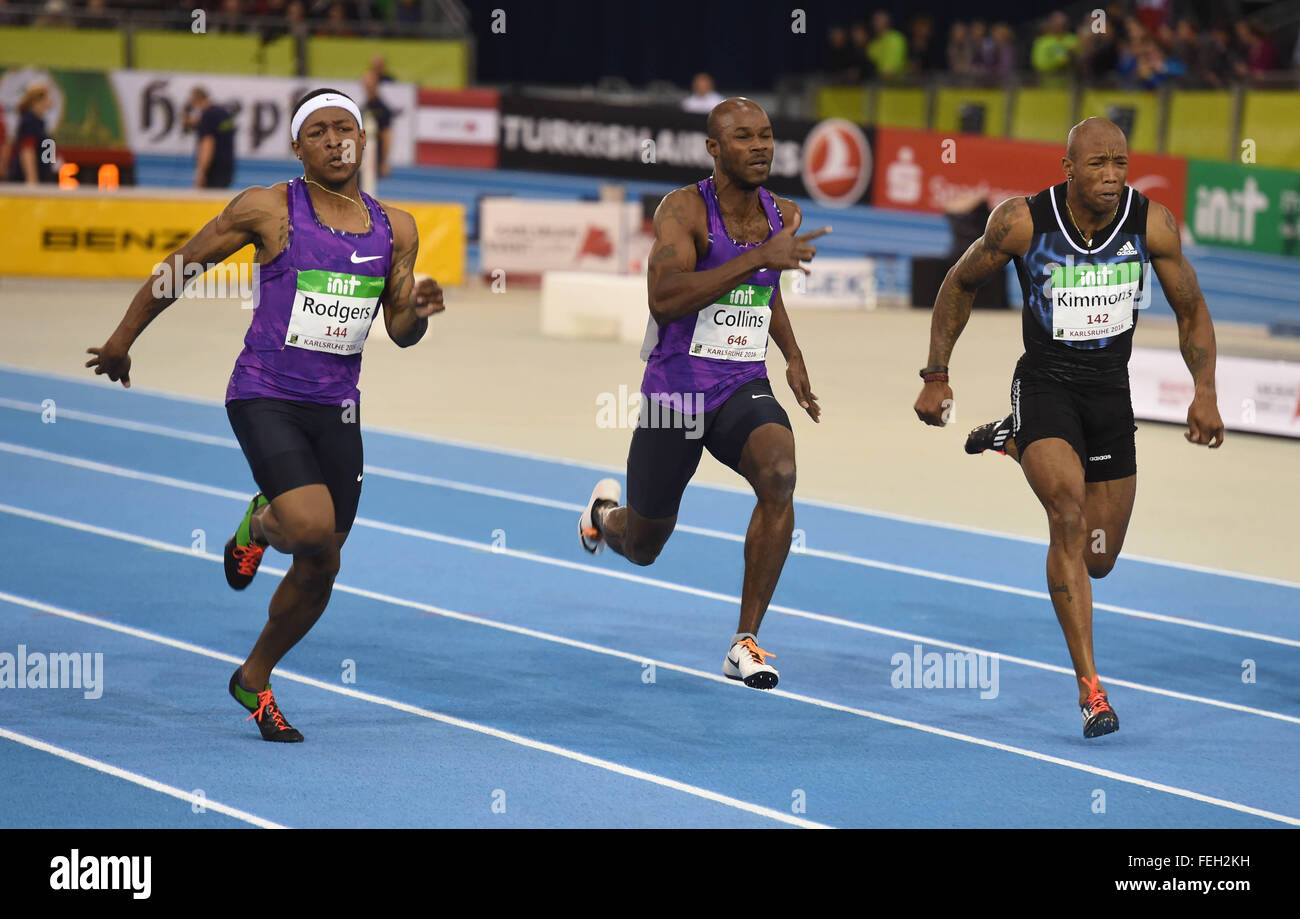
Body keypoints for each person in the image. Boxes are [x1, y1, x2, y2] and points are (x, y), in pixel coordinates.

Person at [86, 88, 446, 741]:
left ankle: (254, 673)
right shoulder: (269, 207)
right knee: (312, 527)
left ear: (362, 140)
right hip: (265, 392)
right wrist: (122, 338)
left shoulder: (397, 227)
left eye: (346, 128)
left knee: (324, 558)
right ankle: (270, 518)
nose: (334, 139)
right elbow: (182, 267)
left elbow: (398, 329)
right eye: (319, 130)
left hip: (337, 407)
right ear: (298, 146)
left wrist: (416, 310)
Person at [913, 117, 1224, 738]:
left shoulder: (1152, 223)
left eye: (1120, 164)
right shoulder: (1023, 221)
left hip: (1111, 395)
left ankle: (1012, 438)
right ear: (1068, 168)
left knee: (1099, 558)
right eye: (1097, 165)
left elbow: (1191, 308)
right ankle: (1091, 689)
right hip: (1046, 383)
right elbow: (959, 282)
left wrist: (1205, 392)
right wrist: (936, 373)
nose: (1111, 177)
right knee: (1067, 513)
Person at [578, 98, 829, 690]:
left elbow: (768, 290)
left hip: (743, 385)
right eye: (744, 138)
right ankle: (602, 515)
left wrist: (791, 357)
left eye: (767, 135)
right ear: (714, 149)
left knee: (780, 472)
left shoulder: (781, 214)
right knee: (642, 544)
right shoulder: (684, 210)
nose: (761, 146)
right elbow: (664, 300)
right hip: (678, 395)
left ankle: (745, 641)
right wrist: (755, 258)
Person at [183, 86, 237, 189]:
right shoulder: (223, 112)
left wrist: (201, 172)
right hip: (227, 167)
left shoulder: (207, 115)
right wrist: (196, 124)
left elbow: (208, 144)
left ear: (195, 100)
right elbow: (217, 131)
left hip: (213, 169)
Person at [6, 83, 56, 185]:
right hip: (25, 181)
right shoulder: (30, 121)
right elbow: (27, 151)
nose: (50, 102)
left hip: (40, 178)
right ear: (37, 101)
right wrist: (32, 180)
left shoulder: (37, 122)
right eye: (47, 98)